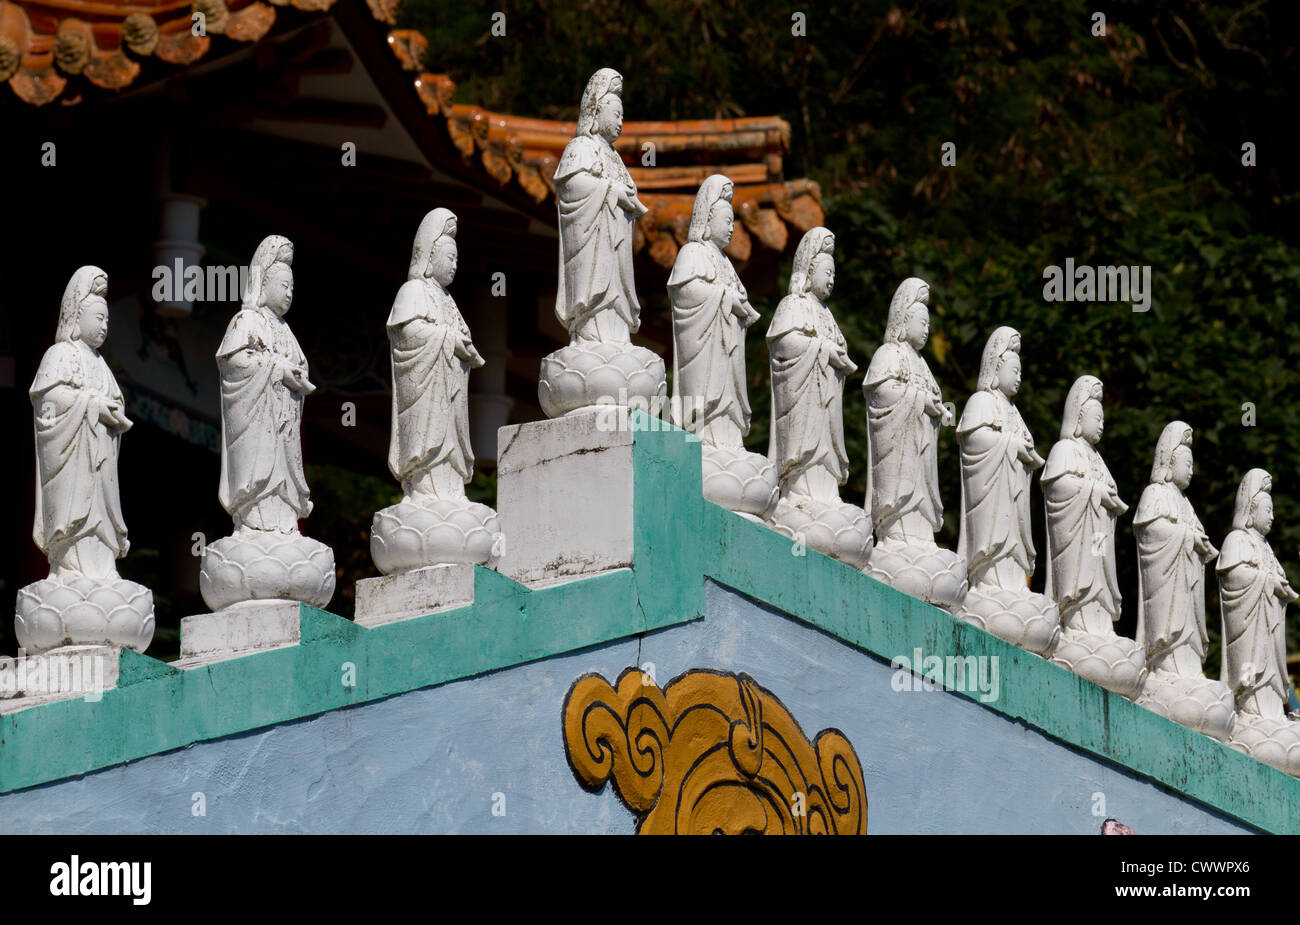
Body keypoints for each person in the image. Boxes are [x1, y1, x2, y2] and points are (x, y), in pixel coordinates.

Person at [30, 266, 132, 579]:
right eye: (97, 318)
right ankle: (69, 565)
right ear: (77, 316)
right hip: (71, 463)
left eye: (107, 320)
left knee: (101, 515)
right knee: (76, 517)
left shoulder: (103, 367)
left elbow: (115, 402)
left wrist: (112, 414)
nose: (103, 326)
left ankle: (103, 566)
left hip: (99, 462)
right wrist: (90, 405)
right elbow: (48, 403)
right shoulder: (59, 354)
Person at [216, 235, 314, 534]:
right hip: (258, 429)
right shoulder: (247, 320)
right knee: (260, 489)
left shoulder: (286, 331)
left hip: (283, 429)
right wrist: (276, 369)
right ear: (264, 283)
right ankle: (254, 521)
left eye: (292, 288)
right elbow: (234, 364)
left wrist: (295, 375)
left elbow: (299, 364)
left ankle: (285, 522)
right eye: (283, 286)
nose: (289, 293)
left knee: (284, 486)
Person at [387, 208, 485, 502]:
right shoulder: (413, 290)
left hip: (450, 394)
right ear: (429, 257)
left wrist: (463, 349)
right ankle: (422, 488)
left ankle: (452, 490)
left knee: (451, 448)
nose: (455, 265)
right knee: (428, 449)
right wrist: (447, 339)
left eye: (457, 259)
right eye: (449, 258)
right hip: (425, 395)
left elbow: (461, 336)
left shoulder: (448, 301)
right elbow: (407, 334)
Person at [554, 67, 648, 344]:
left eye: (622, 116)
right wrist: (611, 191)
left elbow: (627, 190)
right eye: (615, 115)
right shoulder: (580, 147)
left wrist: (626, 197)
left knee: (617, 301)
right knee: (596, 308)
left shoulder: (616, 157)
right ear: (597, 111)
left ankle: (619, 336)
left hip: (616, 247)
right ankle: (588, 333)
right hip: (592, 247)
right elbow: (572, 186)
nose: (620, 122)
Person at [767, 227, 856, 501]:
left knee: (826, 456)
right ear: (809, 270)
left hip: (826, 406)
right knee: (804, 462)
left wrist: (836, 356)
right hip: (802, 402)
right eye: (826, 273)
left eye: (834, 275)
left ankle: (826, 495)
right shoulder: (793, 303)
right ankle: (798, 493)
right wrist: (823, 349)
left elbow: (839, 348)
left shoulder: (828, 316)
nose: (831, 280)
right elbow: (783, 344)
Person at [667, 175, 758, 444]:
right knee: (705, 409)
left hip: (728, 353)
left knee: (728, 407)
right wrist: (724, 297)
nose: (732, 229)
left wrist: (737, 303)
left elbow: (740, 299)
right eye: (727, 222)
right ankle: (703, 436)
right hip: (703, 352)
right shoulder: (692, 253)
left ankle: (729, 439)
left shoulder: (727, 264)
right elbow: (685, 294)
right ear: (708, 220)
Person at [864, 278, 952, 543]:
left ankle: (921, 535)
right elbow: (881, 392)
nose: (926, 330)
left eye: (928, 324)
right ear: (904, 320)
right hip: (898, 451)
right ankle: (896, 533)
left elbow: (935, 397)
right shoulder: (889, 353)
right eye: (921, 323)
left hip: (921, 455)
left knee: (921, 501)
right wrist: (919, 400)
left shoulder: (924, 365)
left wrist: (941, 412)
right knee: (900, 498)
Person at [957, 326, 1044, 588]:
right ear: (996, 368)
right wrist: (1010, 445)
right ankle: (987, 581)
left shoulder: (1015, 413)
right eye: (1014, 371)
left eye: (1020, 372)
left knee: (1014, 541)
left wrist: (1026, 454)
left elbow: (1025, 444)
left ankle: (1014, 583)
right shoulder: (982, 401)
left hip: (1014, 498)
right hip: (991, 495)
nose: (1019, 378)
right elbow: (973, 440)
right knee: (992, 542)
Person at [1134, 422, 1218, 676]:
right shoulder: (1155, 493)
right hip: (1165, 586)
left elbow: (1197, 535)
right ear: (1170, 463)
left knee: (1188, 631)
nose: (1192, 471)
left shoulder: (1186, 505)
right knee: (1169, 633)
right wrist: (1188, 538)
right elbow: (1151, 532)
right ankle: (1166, 667)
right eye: (1187, 464)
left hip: (1188, 589)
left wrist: (1200, 545)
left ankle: (1189, 668)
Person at [1218, 468, 1296, 716]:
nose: (1272, 516)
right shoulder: (1237, 540)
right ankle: (1247, 710)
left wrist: (1280, 588)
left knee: (1271, 683)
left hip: (1270, 635)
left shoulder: (1267, 549)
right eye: (1268, 510)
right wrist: (1267, 582)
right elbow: (1234, 576)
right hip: (1248, 632)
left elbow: (1277, 579)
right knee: (1250, 678)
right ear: (1251, 510)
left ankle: (1271, 713)